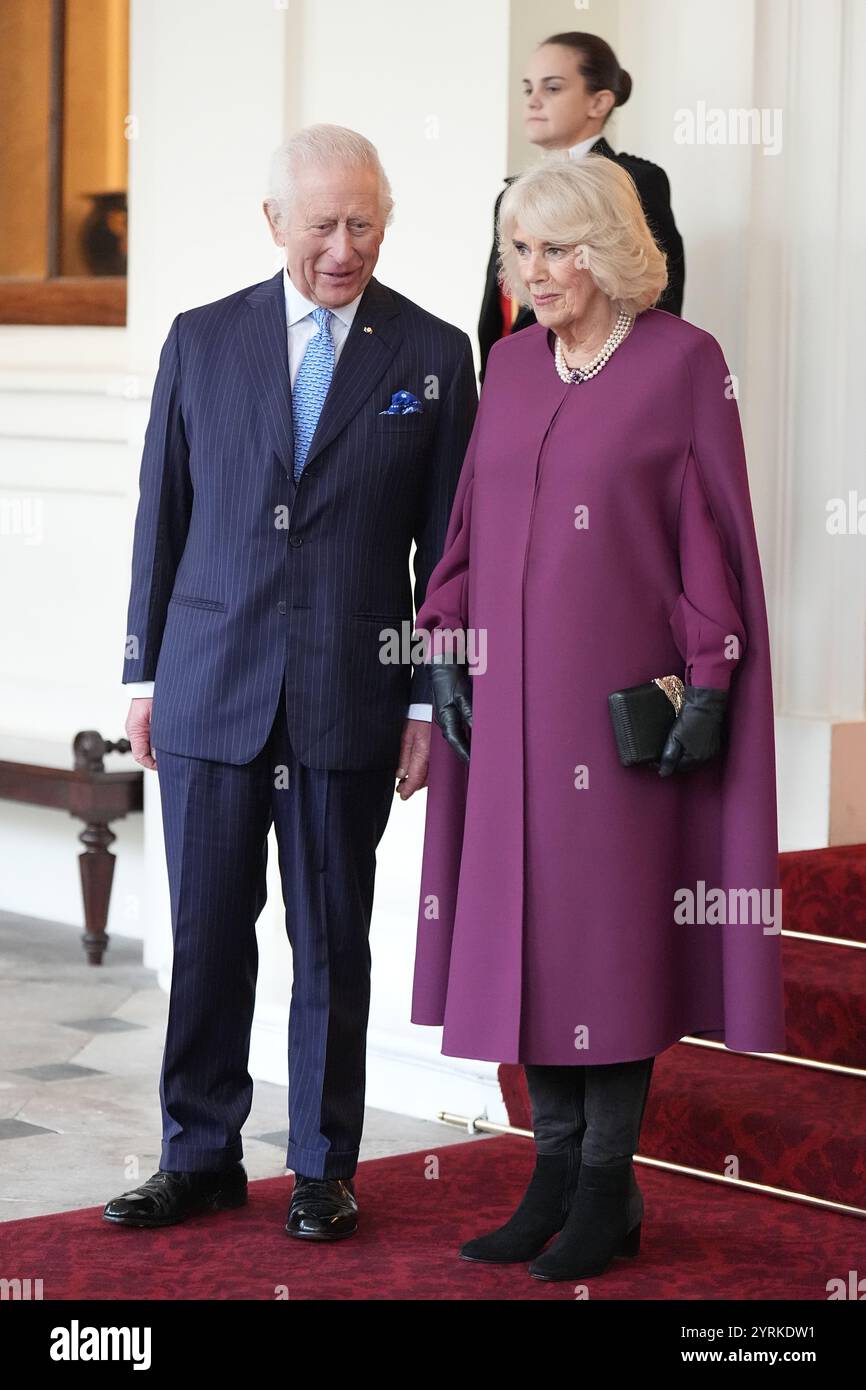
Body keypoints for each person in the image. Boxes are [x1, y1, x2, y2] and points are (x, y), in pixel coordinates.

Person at [412, 154, 785, 1282]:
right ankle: (558, 1175)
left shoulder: (683, 363)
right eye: (518, 250)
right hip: (510, 712)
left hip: (621, 716)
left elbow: (708, 532)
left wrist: (711, 679)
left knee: (605, 947)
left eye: (558, 248)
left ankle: (600, 1182)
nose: (535, 270)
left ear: (612, 249)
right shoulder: (513, 365)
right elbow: (470, 528)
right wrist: (445, 647)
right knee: (527, 940)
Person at [105, 124, 477, 1239]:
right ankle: (198, 1155)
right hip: (210, 687)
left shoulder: (431, 352)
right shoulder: (200, 339)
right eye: (321, 224)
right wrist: (141, 675)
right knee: (208, 935)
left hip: (347, 698)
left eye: (363, 222)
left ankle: (321, 1165)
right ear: (274, 222)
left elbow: (447, 551)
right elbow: (159, 522)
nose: (343, 246)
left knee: (330, 941)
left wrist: (423, 698)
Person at [478, 30, 685, 379]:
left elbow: (658, 296)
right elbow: (501, 306)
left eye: (553, 88)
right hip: (521, 377)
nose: (533, 100)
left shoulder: (634, 181)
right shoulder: (511, 196)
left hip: (606, 379)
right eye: (528, 88)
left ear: (599, 102)